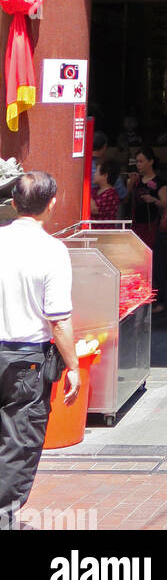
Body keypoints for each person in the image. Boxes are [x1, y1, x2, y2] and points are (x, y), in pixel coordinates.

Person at [0, 173, 80, 529]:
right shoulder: (52, 250)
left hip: (18, 357)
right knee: (19, 440)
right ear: (52, 204)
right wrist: (74, 366)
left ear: (13, 203)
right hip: (25, 359)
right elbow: (58, 319)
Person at [126, 146, 167, 248]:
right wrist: (130, 184)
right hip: (135, 224)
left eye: (141, 161)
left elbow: (165, 204)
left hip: (151, 225)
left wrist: (153, 200)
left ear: (150, 162)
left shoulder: (159, 182)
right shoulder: (136, 180)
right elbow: (125, 199)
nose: (138, 165)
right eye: (137, 162)